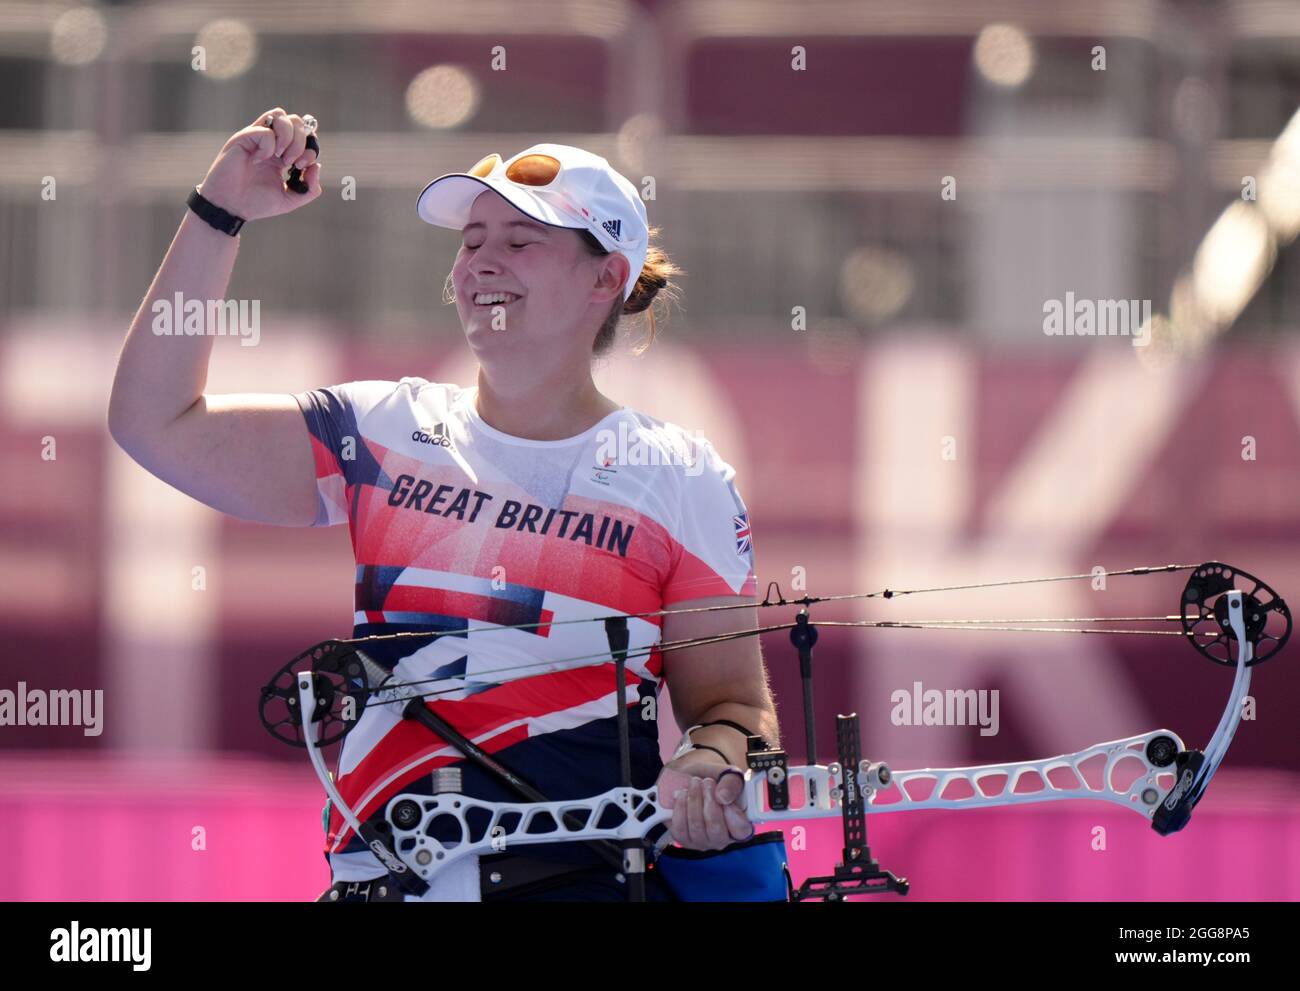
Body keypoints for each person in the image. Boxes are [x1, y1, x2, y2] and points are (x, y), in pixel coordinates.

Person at [108, 108, 782, 901]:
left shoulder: (680, 474)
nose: (480, 262)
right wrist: (221, 212)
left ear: (607, 278)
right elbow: (153, 423)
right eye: (470, 242)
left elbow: (734, 707)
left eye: (520, 241)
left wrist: (714, 759)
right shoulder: (381, 427)